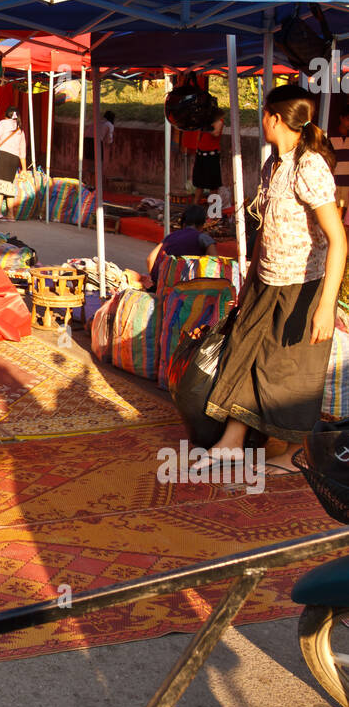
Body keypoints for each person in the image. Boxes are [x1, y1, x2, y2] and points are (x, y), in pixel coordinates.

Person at [206, 84, 346, 474]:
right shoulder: (274, 165)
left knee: (288, 373)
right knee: (244, 354)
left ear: (275, 118)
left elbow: (339, 241)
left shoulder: (310, 166)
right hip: (266, 280)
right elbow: (265, 231)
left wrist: (324, 307)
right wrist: (248, 283)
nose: (261, 121)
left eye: (263, 115)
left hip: (304, 286)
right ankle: (231, 442)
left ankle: (293, 452)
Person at [145, 204, 217, 284]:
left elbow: (150, 259)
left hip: (164, 285)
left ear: (183, 223)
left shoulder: (170, 237)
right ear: (202, 225)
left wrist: (155, 281)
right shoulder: (203, 238)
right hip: (187, 287)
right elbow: (215, 264)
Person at [192, 110, 225, 203]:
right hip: (201, 153)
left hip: (211, 155)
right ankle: (195, 206)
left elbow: (216, 133)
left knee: (213, 184)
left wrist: (207, 125)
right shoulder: (205, 119)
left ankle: (213, 210)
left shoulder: (218, 120)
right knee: (199, 183)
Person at [330, 103, 349, 211]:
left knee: (343, 212)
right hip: (334, 182)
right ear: (341, 118)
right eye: (348, 119)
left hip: (347, 182)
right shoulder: (330, 136)